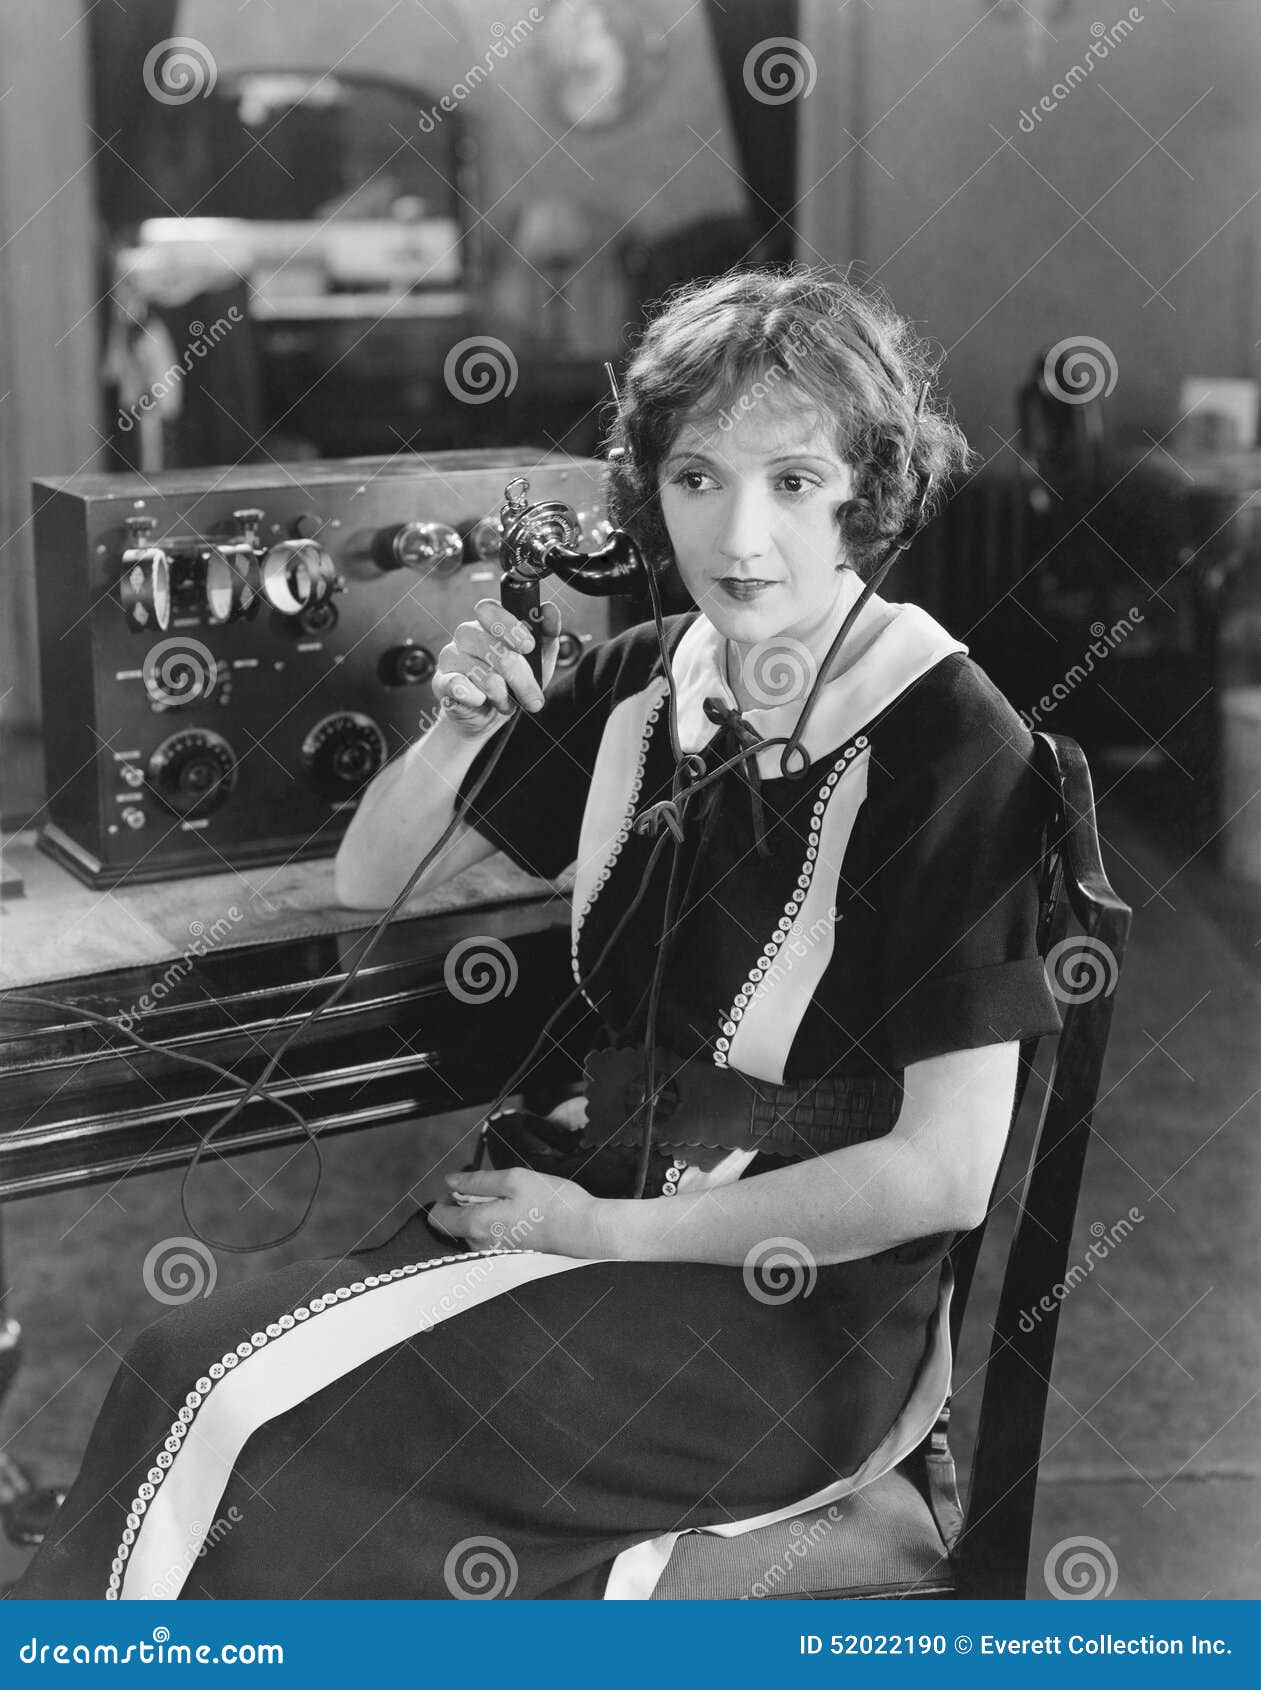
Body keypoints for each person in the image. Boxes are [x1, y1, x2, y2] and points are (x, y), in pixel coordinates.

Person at [12, 266, 1061, 1602]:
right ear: (649, 490)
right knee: (214, 1396)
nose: (740, 533)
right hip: (580, 1203)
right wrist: (454, 732)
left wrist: (596, 1235)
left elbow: (940, 1177)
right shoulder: (651, 678)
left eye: (793, 481)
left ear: (869, 487)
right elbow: (367, 868)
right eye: (696, 477)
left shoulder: (950, 742)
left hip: (781, 1314)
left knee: (226, 1399)